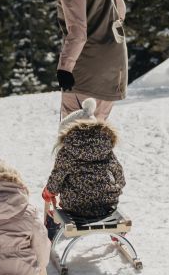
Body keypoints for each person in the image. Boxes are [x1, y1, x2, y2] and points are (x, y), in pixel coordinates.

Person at [42, 98, 125, 238]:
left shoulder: (67, 151)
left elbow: (57, 177)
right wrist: (115, 189)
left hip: (75, 208)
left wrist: (49, 191)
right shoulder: (106, 148)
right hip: (105, 207)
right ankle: (116, 231)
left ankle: (51, 230)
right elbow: (119, 176)